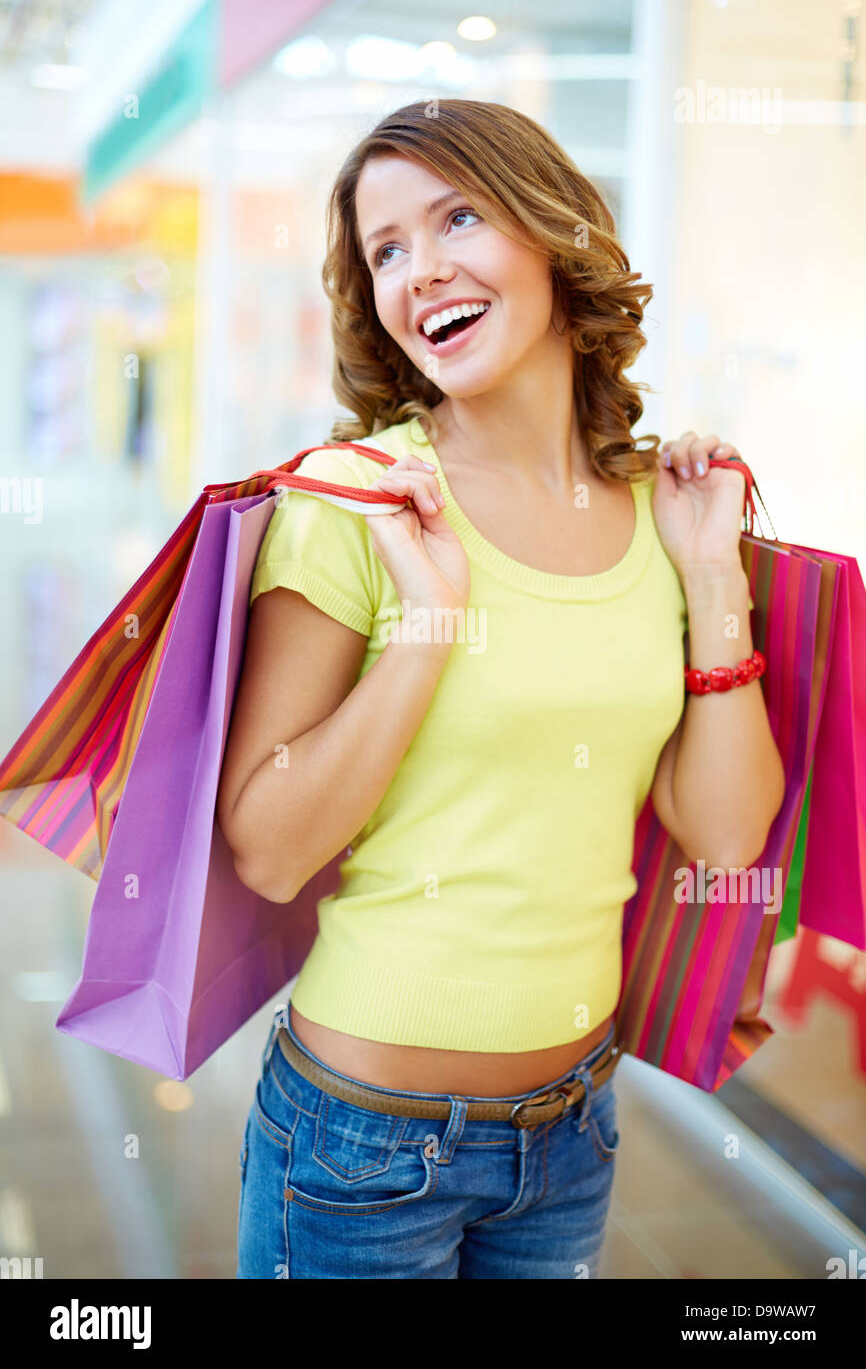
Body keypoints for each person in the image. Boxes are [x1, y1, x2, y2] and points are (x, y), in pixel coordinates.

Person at [218, 98, 785, 1280]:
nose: (419, 270)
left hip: (573, 1126)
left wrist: (708, 578)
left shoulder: (656, 513)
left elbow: (728, 832)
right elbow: (268, 849)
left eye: (456, 217)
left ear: (551, 230)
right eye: (384, 250)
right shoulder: (358, 501)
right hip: (359, 1146)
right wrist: (427, 626)